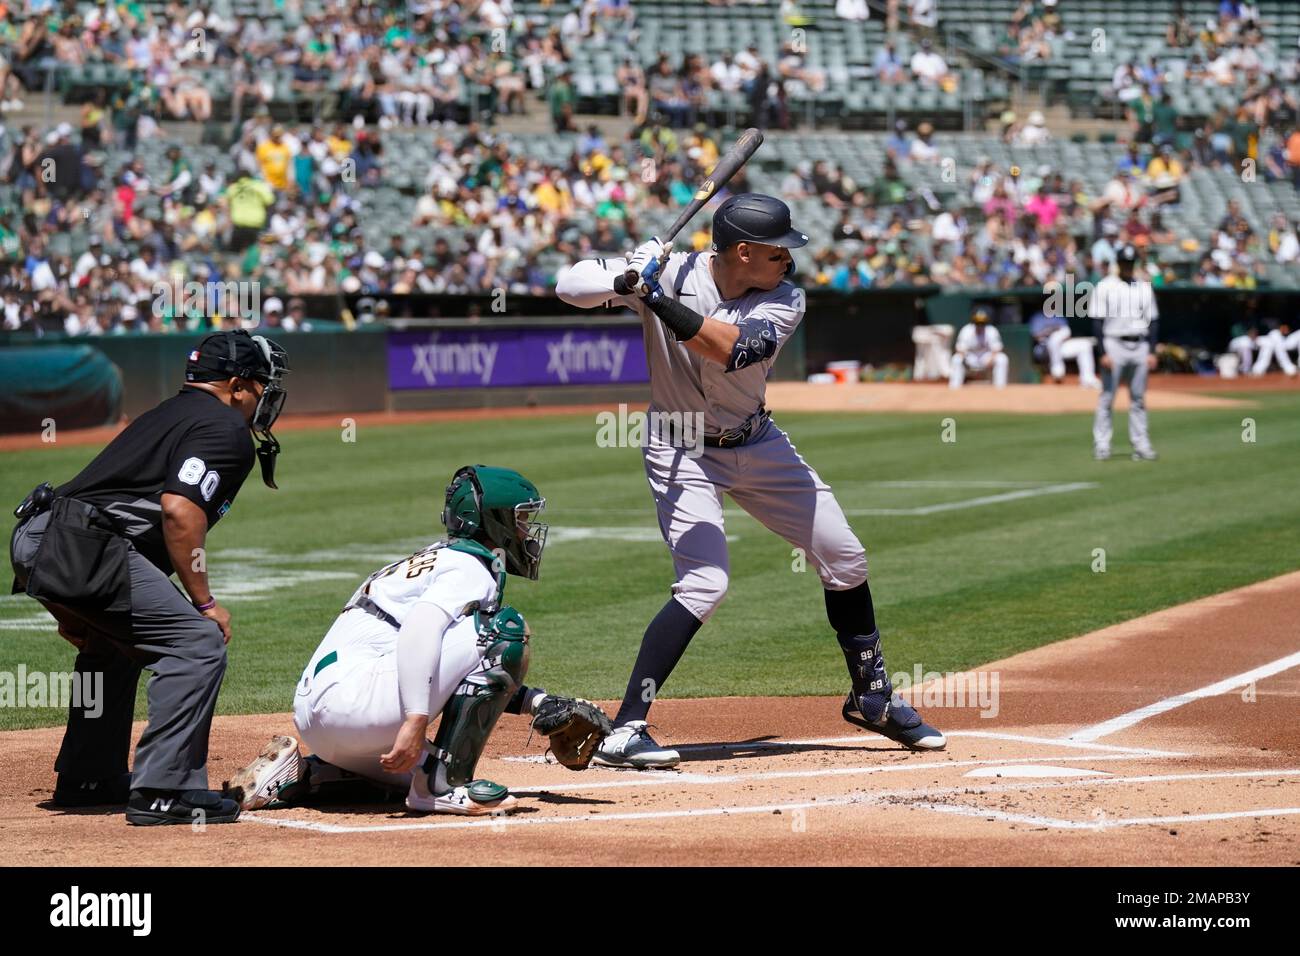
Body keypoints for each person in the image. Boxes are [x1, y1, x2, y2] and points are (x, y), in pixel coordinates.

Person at [555, 193, 945, 769]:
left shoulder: (785, 298)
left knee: (846, 556)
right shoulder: (673, 270)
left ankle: (872, 697)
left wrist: (651, 295)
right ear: (742, 251)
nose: (788, 260)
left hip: (756, 441)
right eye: (777, 251)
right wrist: (625, 272)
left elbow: (732, 350)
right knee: (705, 583)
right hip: (679, 445)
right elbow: (570, 286)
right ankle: (626, 728)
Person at [8, 330, 289, 825]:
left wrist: (71, 611)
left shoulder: (166, 413)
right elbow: (179, 511)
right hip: (80, 546)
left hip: (44, 537)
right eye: (262, 385)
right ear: (238, 385)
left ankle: (88, 776)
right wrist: (205, 603)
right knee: (197, 645)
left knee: (112, 647)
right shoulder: (224, 428)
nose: (266, 397)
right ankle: (164, 790)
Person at [225, 466, 597, 815]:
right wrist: (415, 720)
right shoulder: (470, 567)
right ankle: (442, 786)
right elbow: (421, 631)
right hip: (358, 704)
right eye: (520, 520)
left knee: (403, 774)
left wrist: (538, 702)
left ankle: (305, 775)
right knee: (503, 630)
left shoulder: (434, 559)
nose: (526, 532)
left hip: (327, 715)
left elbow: (455, 667)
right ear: (494, 522)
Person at [1091, 245, 1159, 461]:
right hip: (1114, 343)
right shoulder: (1105, 286)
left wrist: (1152, 350)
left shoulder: (1144, 287)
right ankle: (1102, 445)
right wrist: (1102, 352)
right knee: (1107, 397)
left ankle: (1141, 445)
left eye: (1130, 264)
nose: (1127, 267)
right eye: (1124, 263)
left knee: (1138, 398)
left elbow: (1154, 321)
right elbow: (1096, 321)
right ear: (1117, 264)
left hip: (1140, 344)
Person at [1030, 309, 1100, 387]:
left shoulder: (1058, 316)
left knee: (1085, 345)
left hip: (1059, 347)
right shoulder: (1038, 317)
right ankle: (1057, 369)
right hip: (1043, 348)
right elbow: (1035, 335)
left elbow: (1066, 332)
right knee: (1053, 339)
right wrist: (1050, 331)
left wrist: (1057, 333)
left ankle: (1088, 378)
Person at [949, 306, 1009, 388]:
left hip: (986, 357)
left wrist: (991, 359)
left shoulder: (991, 330)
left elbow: (997, 349)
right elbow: (960, 349)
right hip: (970, 357)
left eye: (982, 323)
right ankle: (954, 387)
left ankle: (1000, 387)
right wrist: (965, 360)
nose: (980, 325)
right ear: (973, 322)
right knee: (956, 359)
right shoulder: (966, 330)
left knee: (1002, 358)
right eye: (977, 323)